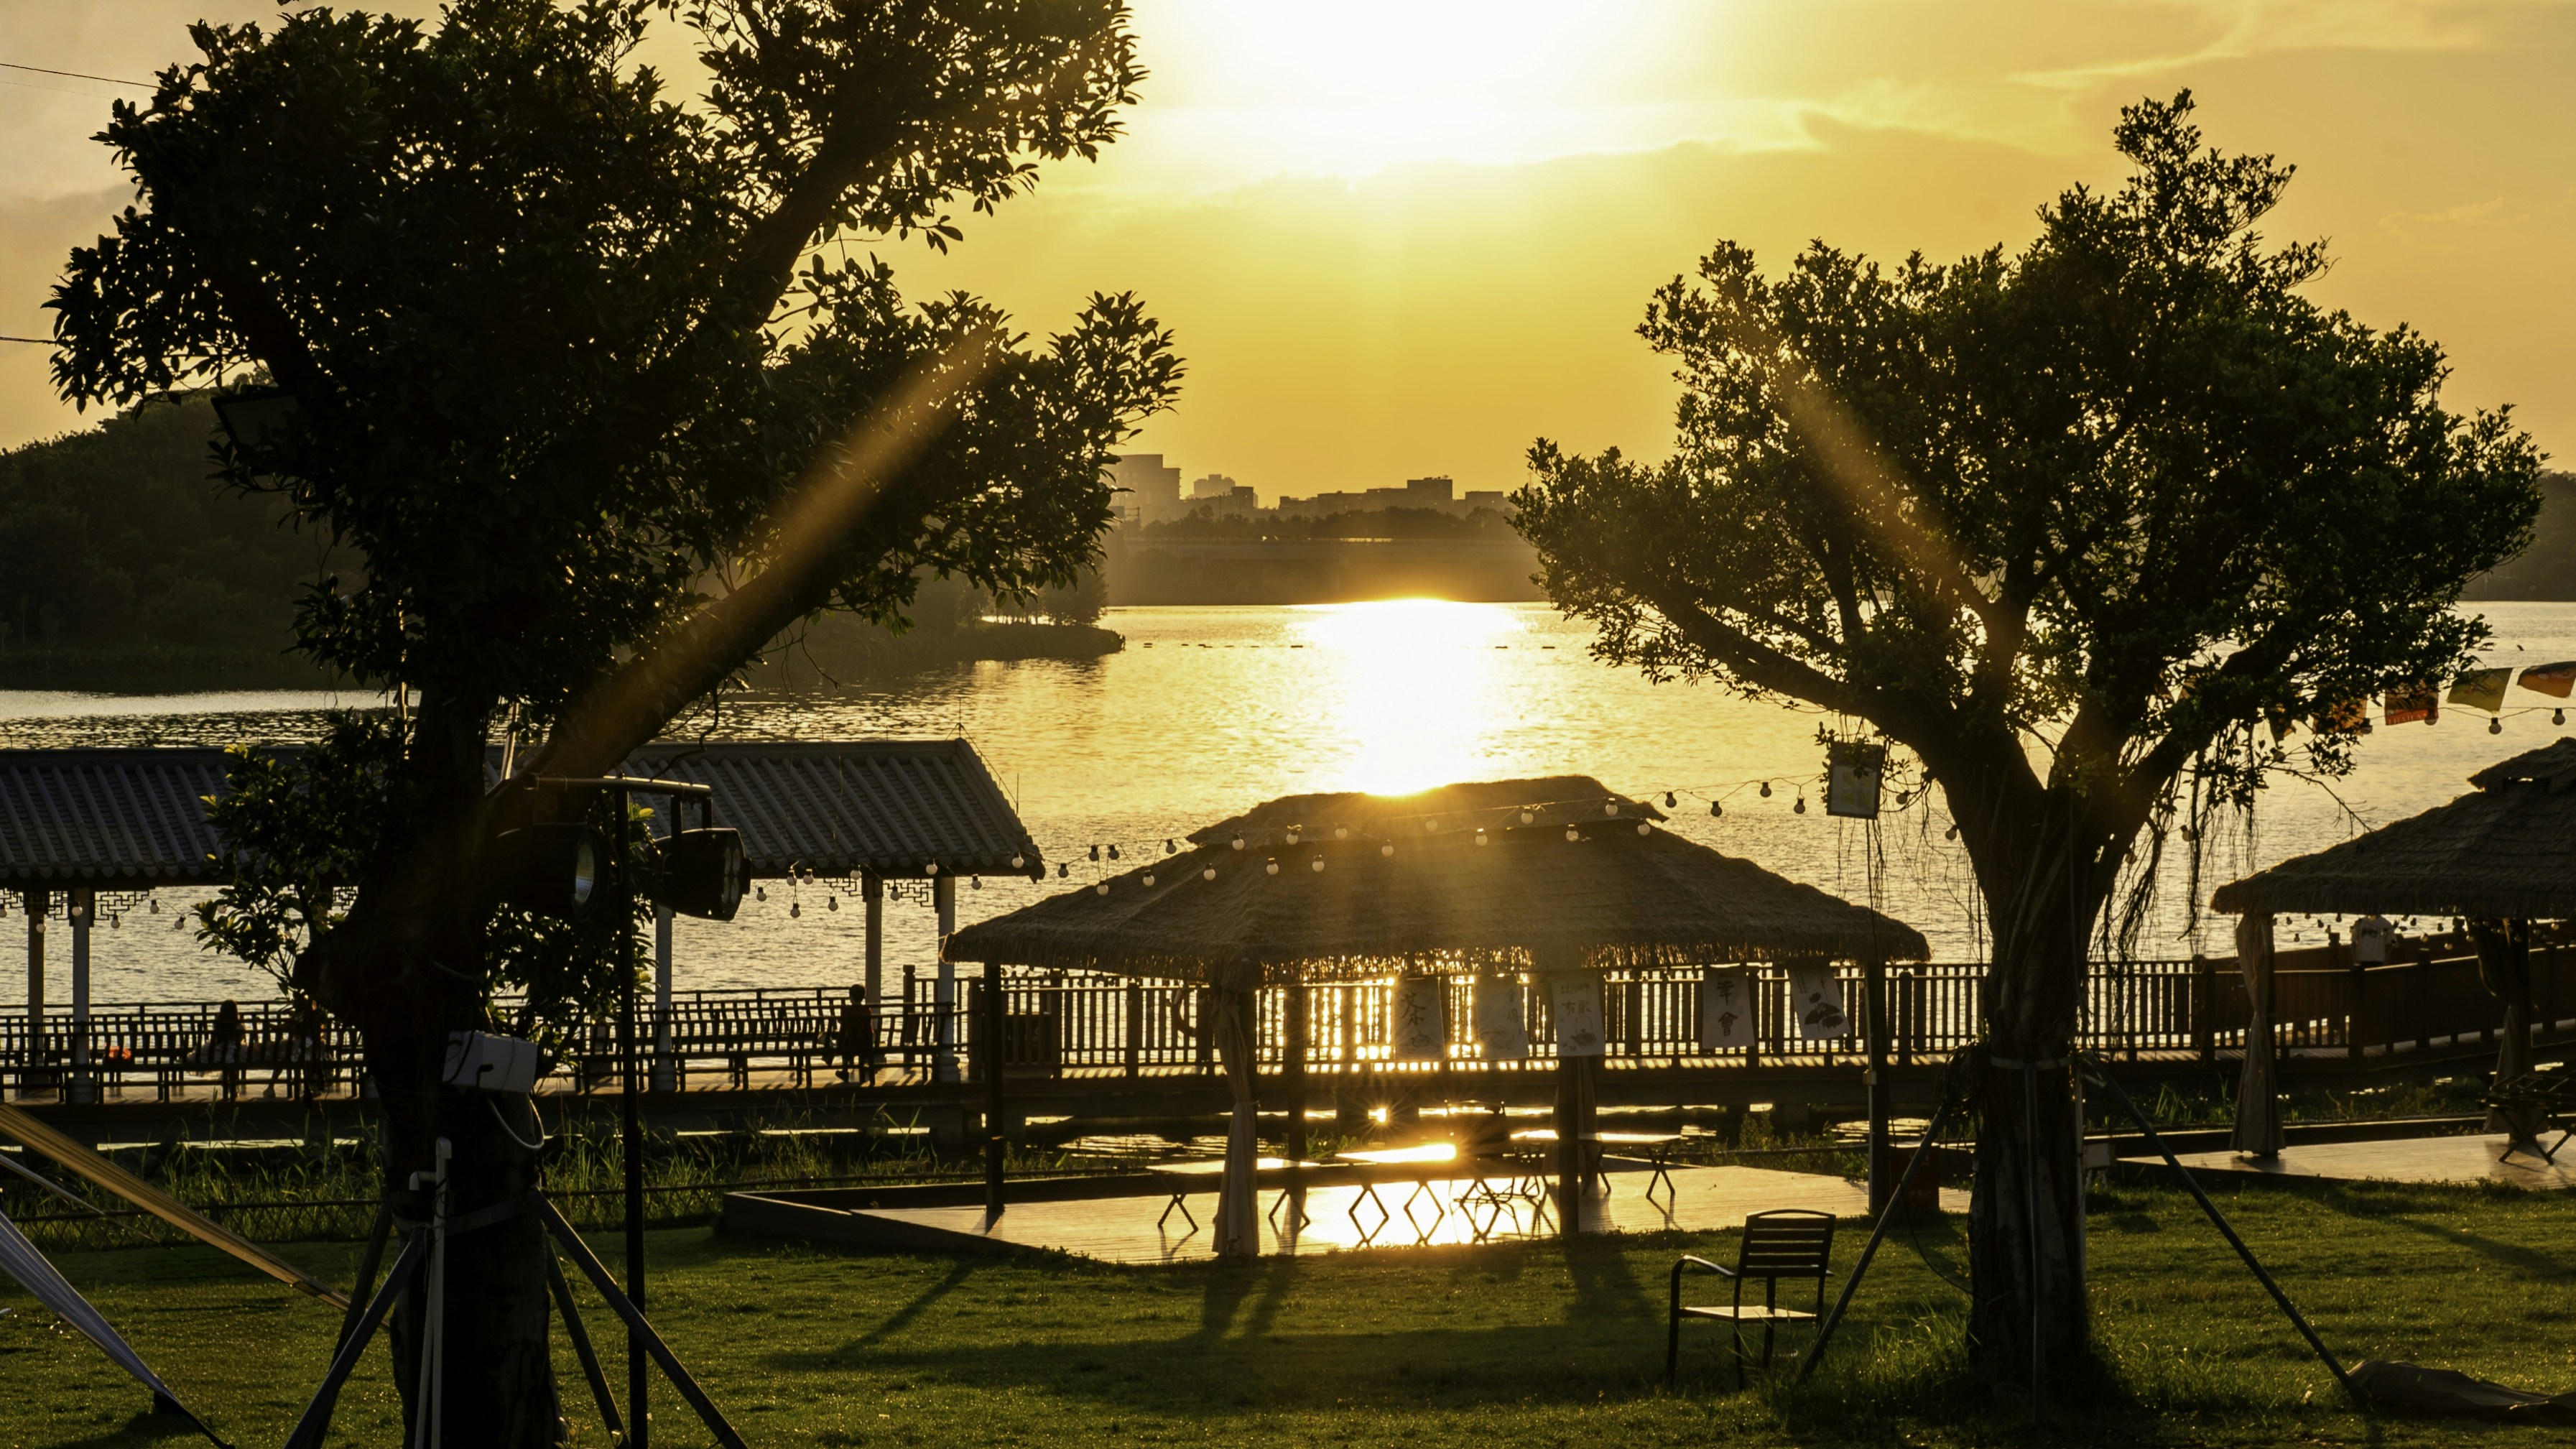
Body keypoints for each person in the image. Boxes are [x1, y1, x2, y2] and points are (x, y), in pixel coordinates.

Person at [834, 984, 881, 1085]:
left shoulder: (847, 1011)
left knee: (843, 1042)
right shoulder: (868, 1010)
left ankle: (845, 1070)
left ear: (850, 997)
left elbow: (845, 1028)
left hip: (851, 1044)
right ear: (863, 997)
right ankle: (859, 1071)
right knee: (848, 1041)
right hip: (866, 1043)